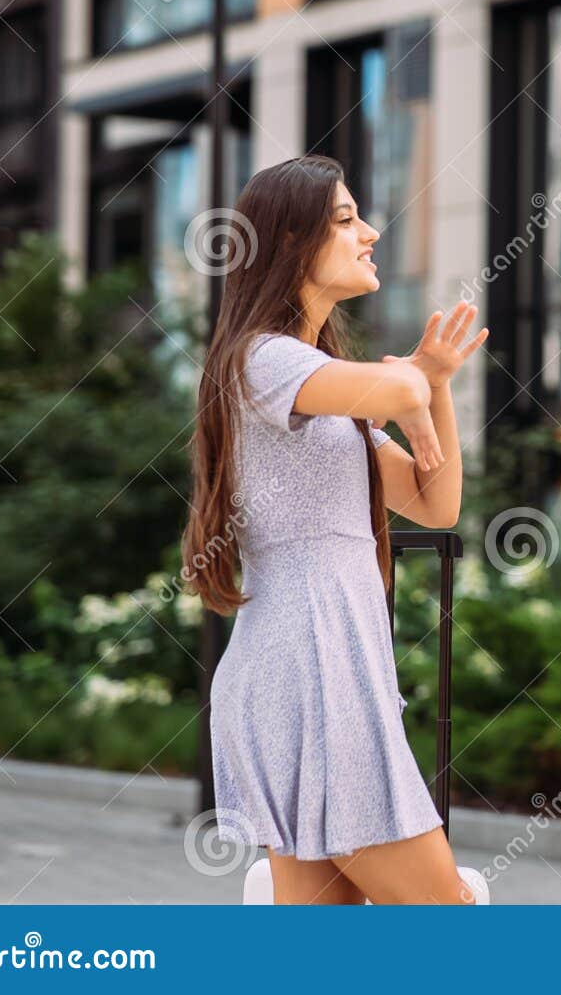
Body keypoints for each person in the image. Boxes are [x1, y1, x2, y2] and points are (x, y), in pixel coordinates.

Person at [181, 154, 489, 904]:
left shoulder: (315, 385)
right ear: (291, 243)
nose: (370, 232)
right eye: (346, 219)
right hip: (310, 671)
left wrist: (434, 387)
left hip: (323, 668)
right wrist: (410, 384)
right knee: (448, 916)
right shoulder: (263, 360)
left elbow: (434, 501)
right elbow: (392, 385)